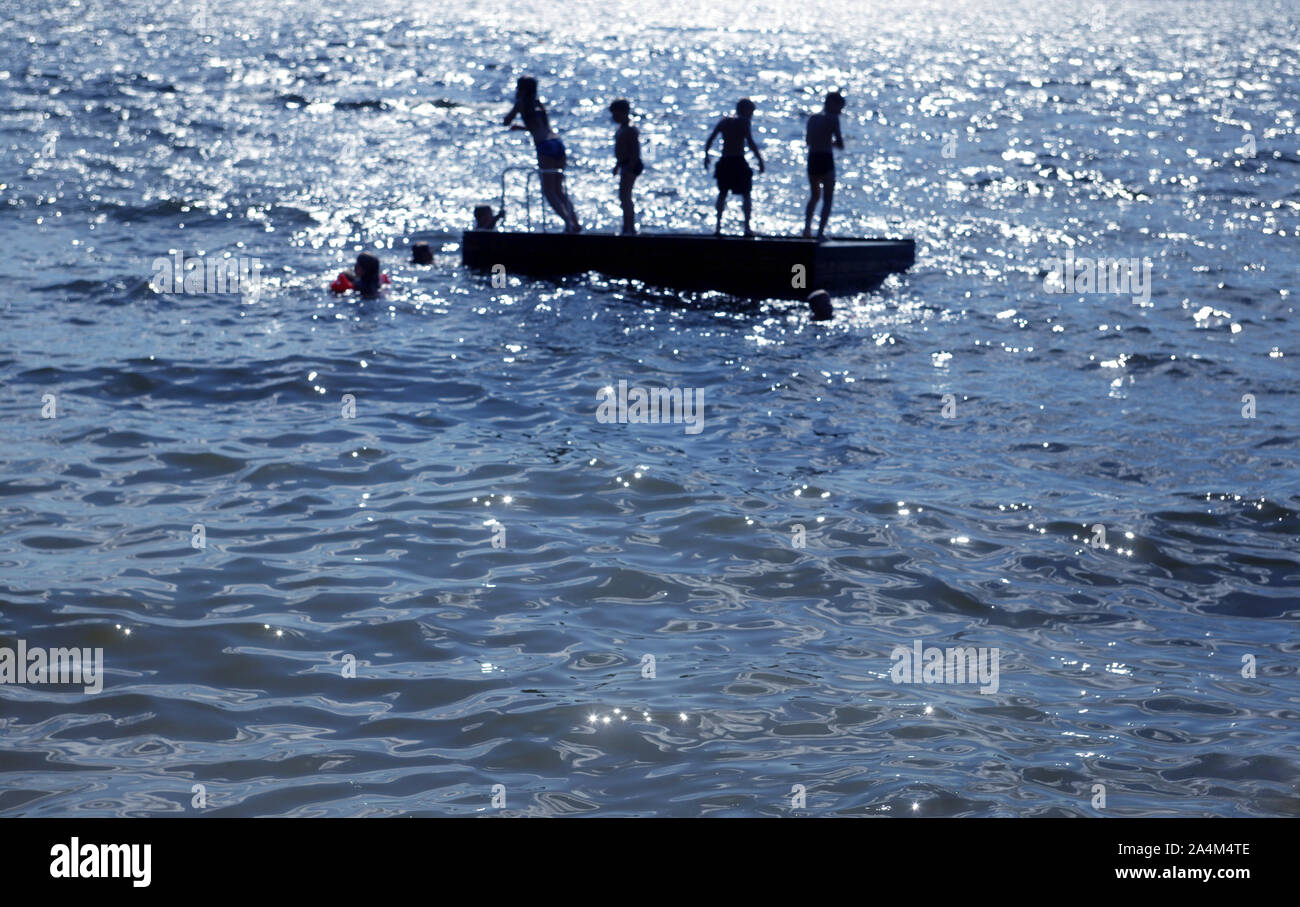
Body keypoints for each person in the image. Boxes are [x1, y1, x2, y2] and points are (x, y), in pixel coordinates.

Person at [503, 76, 581, 233]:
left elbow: (506, 121)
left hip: (545, 147)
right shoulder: (539, 103)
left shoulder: (521, 103)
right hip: (557, 143)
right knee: (559, 189)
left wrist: (515, 112)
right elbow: (540, 127)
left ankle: (568, 223)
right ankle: (575, 222)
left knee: (548, 190)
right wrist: (522, 127)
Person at [704, 98, 764, 237]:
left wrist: (706, 156)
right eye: (751, 112)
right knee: (746, 194)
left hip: (725, 161)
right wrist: (760, 160)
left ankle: (718, 228)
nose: (751, 115)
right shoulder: (744, 122)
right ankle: (747, 228)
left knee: (722, 193)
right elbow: (750, 142)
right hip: (737, 161)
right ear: (745, 110)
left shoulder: (724, 121)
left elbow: (710, 139)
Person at [803, 92, 845, 239]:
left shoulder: (812, 118)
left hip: (813, 158)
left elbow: (808, 141)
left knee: (814, 196)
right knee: (828, 198)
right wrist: (830, 142)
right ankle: (820, 233)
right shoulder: (833, 119)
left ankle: (807, 230)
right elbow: (840, 143)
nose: (840, 111)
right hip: (825, 158)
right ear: (833, 104)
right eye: (840, 107)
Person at [608, 99, 644, 235]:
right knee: (623, 197)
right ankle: (626, 227)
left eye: (616, 114)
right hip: (624, 164)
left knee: (625, 196)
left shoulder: (630, 129)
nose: (613, 117)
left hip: (630, 165)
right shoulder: (622, 127)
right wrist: (617, 165)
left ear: (624, 112)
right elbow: (621, 150)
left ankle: (630, 228)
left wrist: (630, 167)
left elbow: (635, 151)